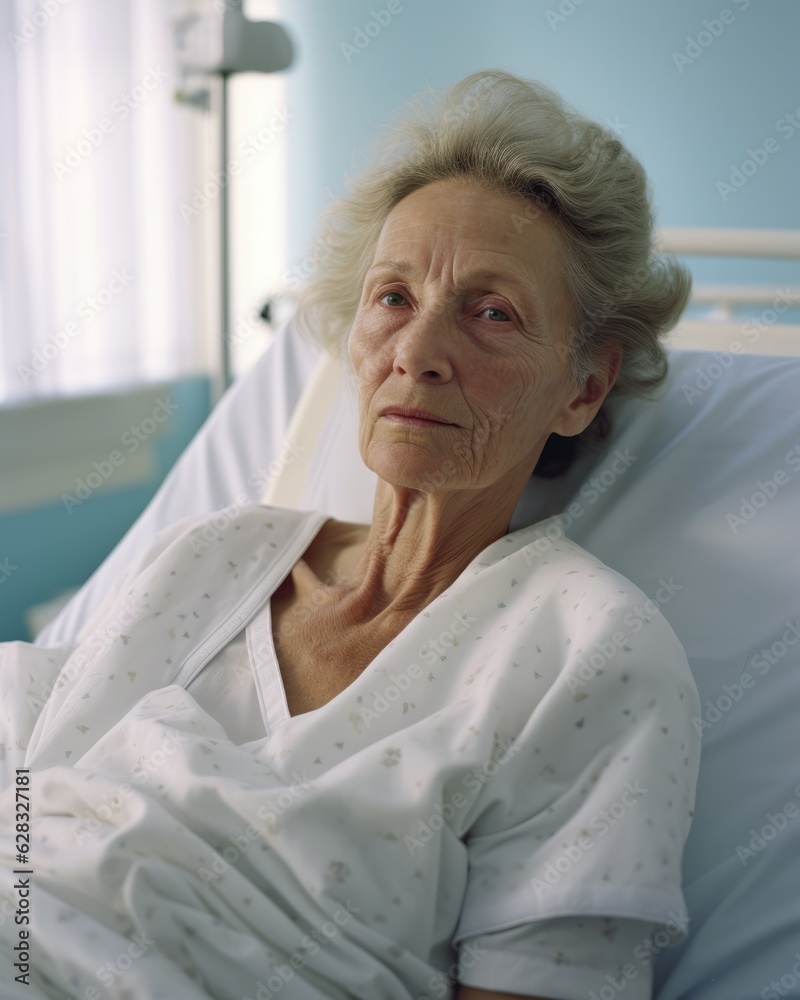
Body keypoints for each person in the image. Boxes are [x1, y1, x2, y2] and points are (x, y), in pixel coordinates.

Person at [0, 70, 700, 1000]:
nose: (418, 351)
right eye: (394, 298)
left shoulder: (590, 655)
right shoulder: (213, 555)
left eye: (492, 313)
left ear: (583, 388)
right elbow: (31, 799)